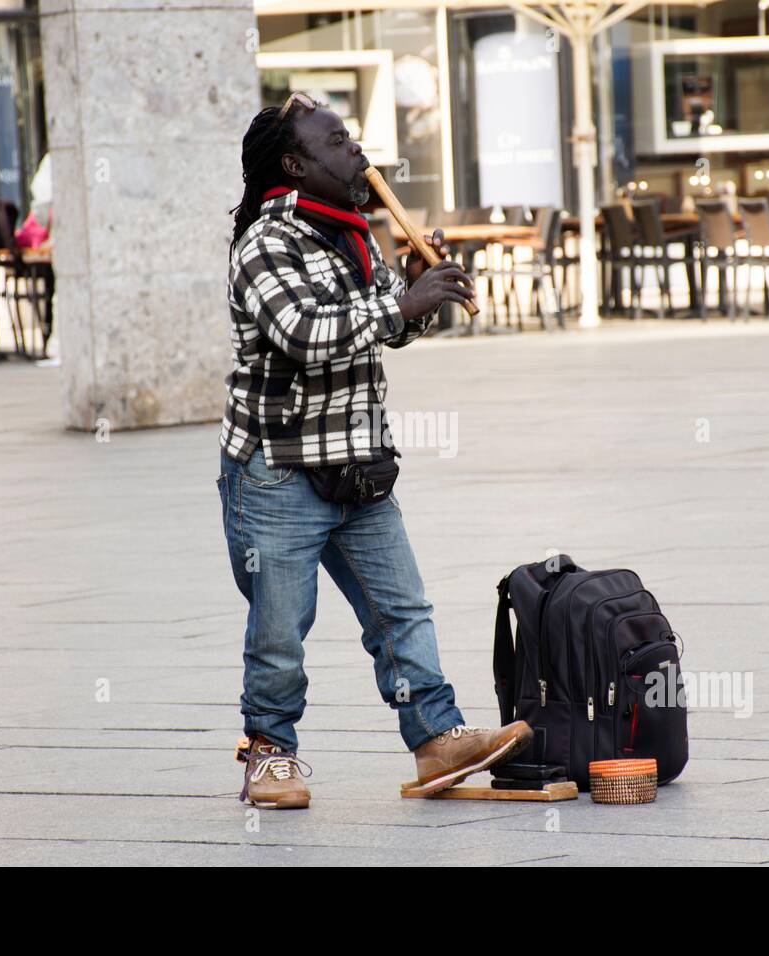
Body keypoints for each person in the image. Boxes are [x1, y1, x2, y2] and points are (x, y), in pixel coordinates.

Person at [219, 92, 530, 809]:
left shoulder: (350, 232)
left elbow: (388, 326)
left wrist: (427, 290)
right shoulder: (268, 241)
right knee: (280, 629)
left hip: (357, 461)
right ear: (295, 165)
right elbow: (303, 332)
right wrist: (404, 301)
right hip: (281, 468)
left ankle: (436, 737)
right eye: (338, 143)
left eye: (353, 139)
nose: (358, 152)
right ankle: (269, 753)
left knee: (402, 612)